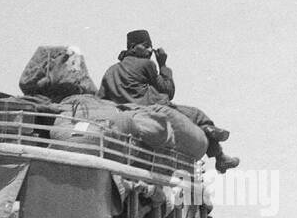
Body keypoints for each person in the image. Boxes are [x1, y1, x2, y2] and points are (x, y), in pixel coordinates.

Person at [99, 29, 239, 173]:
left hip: (125, 113)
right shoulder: (146, 64)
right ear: (133, 47)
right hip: (149, 108)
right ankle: (219, 154)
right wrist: (163, 64)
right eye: (146, 46)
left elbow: (101, 99)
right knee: (196, 114)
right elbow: (168, 90)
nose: (150, 51)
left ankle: (215, 146)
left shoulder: (110, 71)